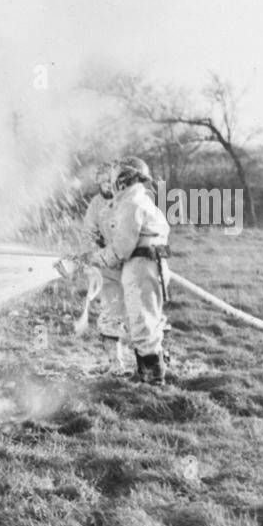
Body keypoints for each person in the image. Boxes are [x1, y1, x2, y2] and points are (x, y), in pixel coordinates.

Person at [85, 156, 171, 384]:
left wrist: (97, 257)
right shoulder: (139, 201)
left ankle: (153, 378)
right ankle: (147, 373)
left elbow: (122, 247)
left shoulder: (131, 204)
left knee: (142, 321)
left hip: (141, 267)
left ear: (122, 180)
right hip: (148, 265)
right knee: (145, 319)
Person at [82, 160, 127, 373]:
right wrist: (94, 255)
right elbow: (89, 234)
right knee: (111, 314)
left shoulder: (129, 201)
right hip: (108, 269)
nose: (108, 186)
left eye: (111, 181)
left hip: (133, 265)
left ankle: (153, 360)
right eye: (103, 182)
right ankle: (115, 364)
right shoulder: (95, 205)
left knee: (142, 313)